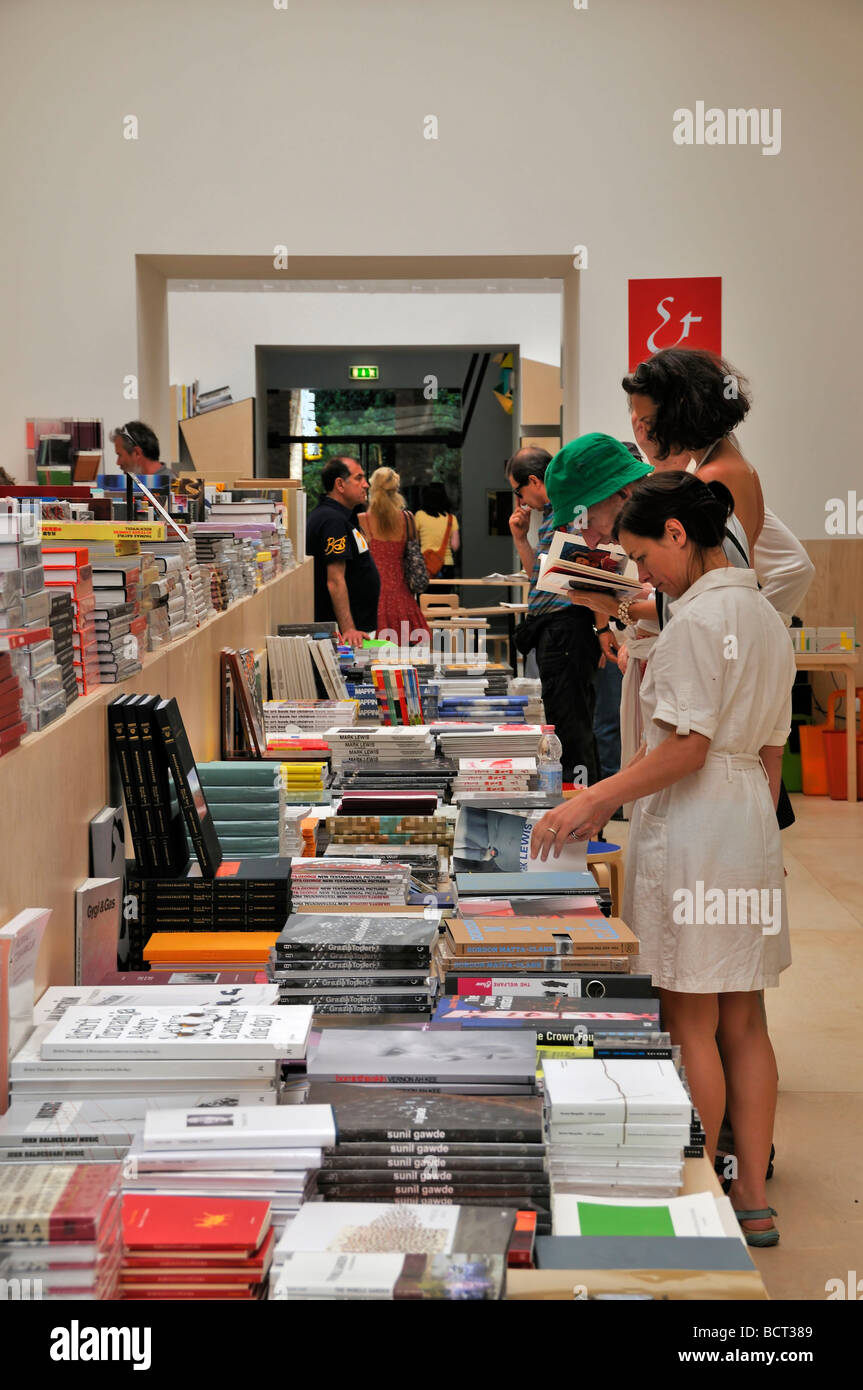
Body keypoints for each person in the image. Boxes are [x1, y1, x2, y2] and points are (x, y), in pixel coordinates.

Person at [532, 471, 796, 1248]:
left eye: (645, 558)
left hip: (696, 828)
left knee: (689, 1018)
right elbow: (767, 746)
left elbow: (684, 747)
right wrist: (766, 848)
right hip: (747, 819)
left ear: (678, 535)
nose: (643, 577)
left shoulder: (693, 625)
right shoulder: (763, 617)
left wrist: (596, 798)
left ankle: (697, 1195)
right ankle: (751, 1196)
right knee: (742, 1019)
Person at [506, 445, 637, 785]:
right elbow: (542, 575)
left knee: (572, 729)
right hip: (557, 627)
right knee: (570, 724)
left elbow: (590, 574)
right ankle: (584, 813)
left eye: (519, 492)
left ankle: (583, 817)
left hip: (568, 628)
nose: (522, 502)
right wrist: (521, 538)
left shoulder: (573, 510)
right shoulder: (556, 513)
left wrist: (604, 626)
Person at [305, 456, 380, 646]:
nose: (366, 484)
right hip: (346, 635)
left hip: (355, 629)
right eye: (358, 478)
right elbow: (335, 579)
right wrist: (348, 629)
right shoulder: (332, 521)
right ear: (340, 484)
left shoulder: (342, 516)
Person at [358, 467, 431, 649]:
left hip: (374, 601)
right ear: (396, 490)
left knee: (375, 659)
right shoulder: (408, 520)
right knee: (410, 657)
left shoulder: (362, 520)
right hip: (403, 600)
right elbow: (413, 557)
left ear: (373, 489)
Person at [414, 482, 460, 580]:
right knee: (444, 595)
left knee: (425, 595)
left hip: (426, 565)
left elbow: (415, 541)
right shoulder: (451, 519)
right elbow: (455, 546)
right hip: (446, 566)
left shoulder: (419, 516)